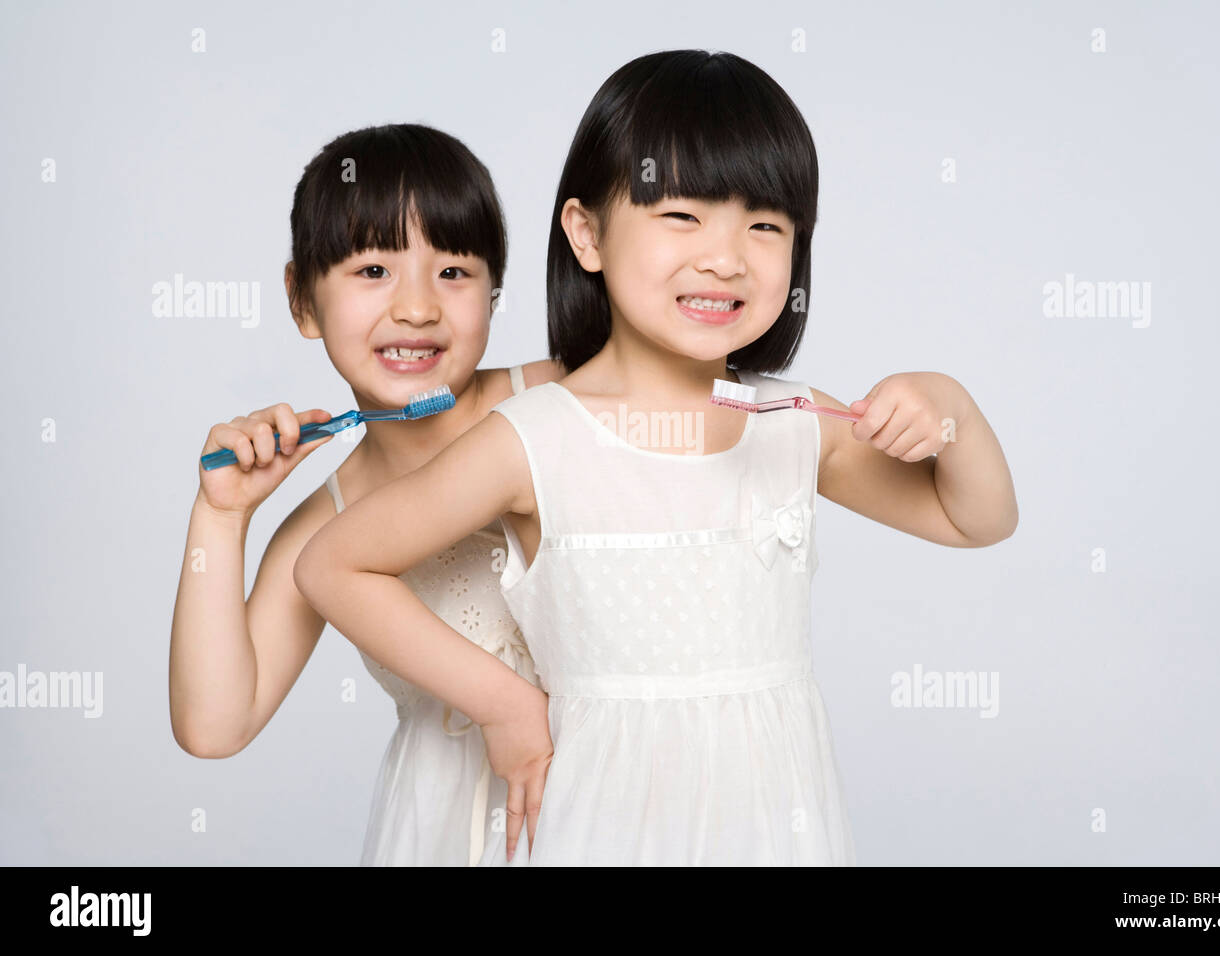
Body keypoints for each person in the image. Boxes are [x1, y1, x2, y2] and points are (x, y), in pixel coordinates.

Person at [294, 53, 1018, 866]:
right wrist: (502, 706)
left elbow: (977, 517)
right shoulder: (537, 435)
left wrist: (950, 408)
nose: (726, 257)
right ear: (587, 233)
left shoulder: (792, 421)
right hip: (595, 827)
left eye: (766, 225)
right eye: (682, 216)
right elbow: (333, 566)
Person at [168, 123, 563, 866]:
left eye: (454, 271)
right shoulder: (325, 528)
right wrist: (222, 517)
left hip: (609, 792)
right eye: (373, 270)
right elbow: (214, 725)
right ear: (302, 299)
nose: (417, 308)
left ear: (494, 289)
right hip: (444, 830)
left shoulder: (560, 397)